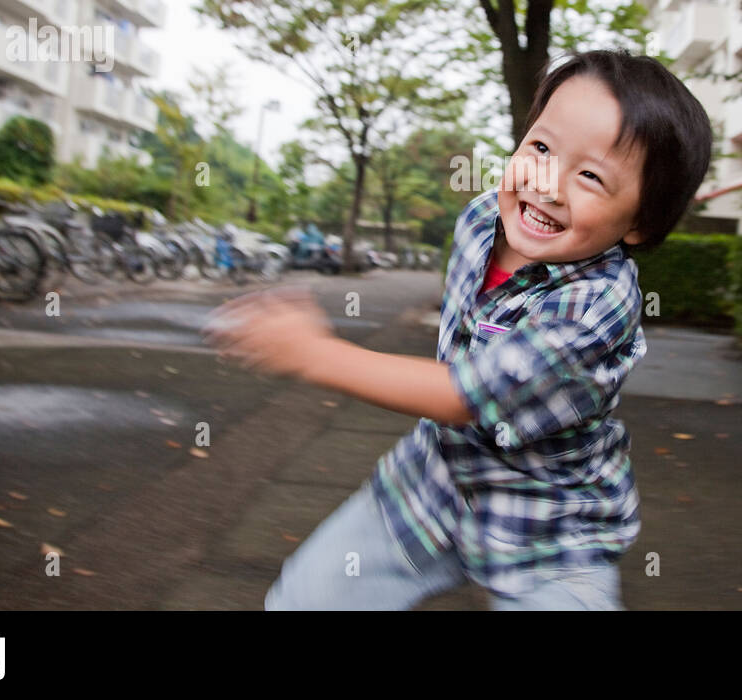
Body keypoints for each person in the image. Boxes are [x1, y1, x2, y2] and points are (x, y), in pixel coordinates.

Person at [206, 49, 713, 610]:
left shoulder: (599, 304)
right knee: (308, 598)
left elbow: (466, 394)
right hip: (434, 483)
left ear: (640, 222)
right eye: (541, 148)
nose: (546, 185)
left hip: (550, 527)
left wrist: (314, 353)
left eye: (590, 176)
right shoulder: (480, 220)